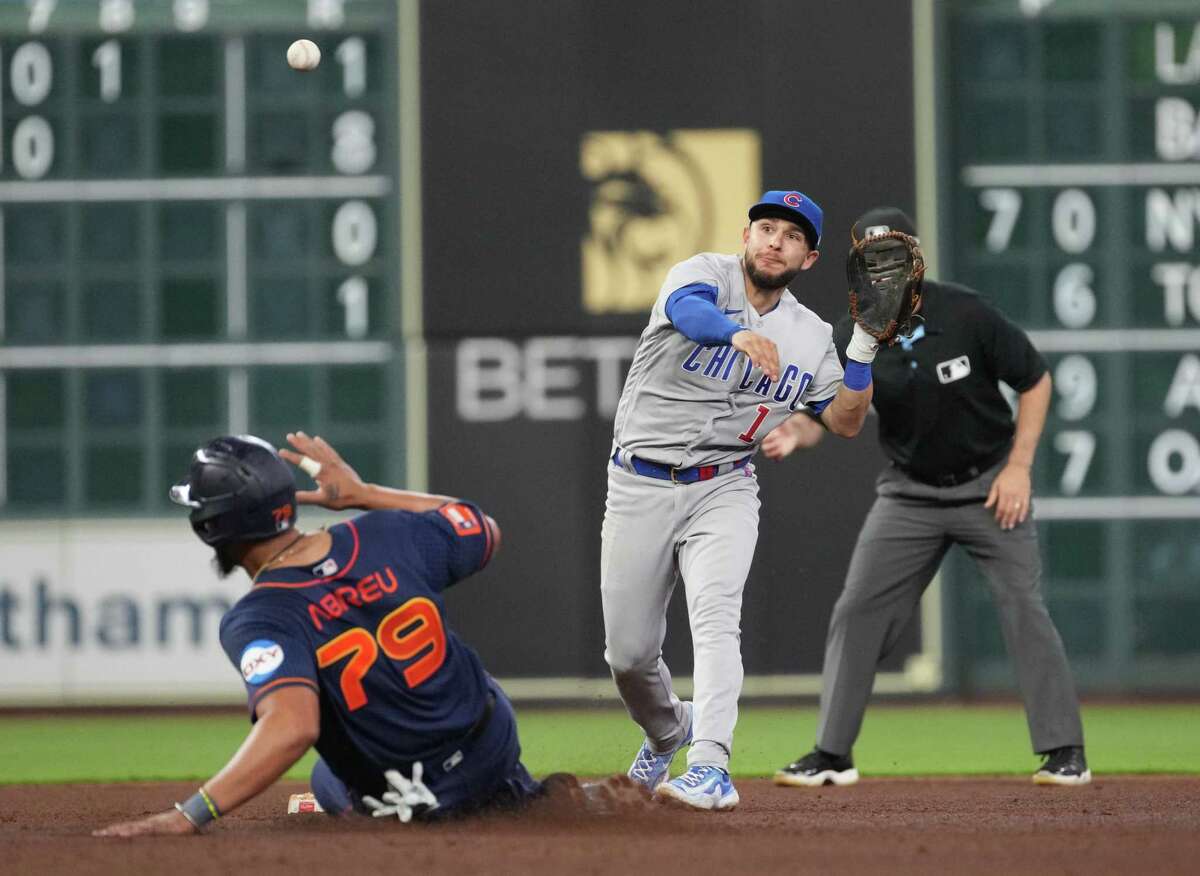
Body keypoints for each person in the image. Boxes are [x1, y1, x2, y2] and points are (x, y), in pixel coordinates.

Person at [769, 207, 1090, 788]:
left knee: (1024, 606)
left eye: (893, 257)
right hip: (910, 491)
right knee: (857, 609)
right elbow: (840, 410)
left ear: (916, 259)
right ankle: (832, 754)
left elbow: (1035, 379)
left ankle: (1065, 751)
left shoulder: (965, 311)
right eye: (873, 260)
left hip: (988, 484)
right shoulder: (856, 331)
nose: (883, 272)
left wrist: (1018, 468)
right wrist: (799, 429)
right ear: (858, 266)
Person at [96, 431, 546, 836]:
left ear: (209, 527)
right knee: (455, 685)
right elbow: (479, 526)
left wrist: (189, 814)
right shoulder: (384, 533)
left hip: (424, 796)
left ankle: (420, 807)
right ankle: (518, 792)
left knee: (326, 780)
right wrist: (364, 494)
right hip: (494, 741)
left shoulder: (261, 616)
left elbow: (293, 726)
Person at [602, 190, 879, 810]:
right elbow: (691, 314)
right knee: (628, 656)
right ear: (746, 236)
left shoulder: (809, 336)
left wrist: (861, 353)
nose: (776, 240)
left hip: (723, 485)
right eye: (766, 228)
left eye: (792, 236)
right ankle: (671, 731)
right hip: (639, 482)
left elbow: (847, 420)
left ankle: (710, 765)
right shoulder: (700, 275)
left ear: (809, 258)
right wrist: (735, 334)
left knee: (716, 615)